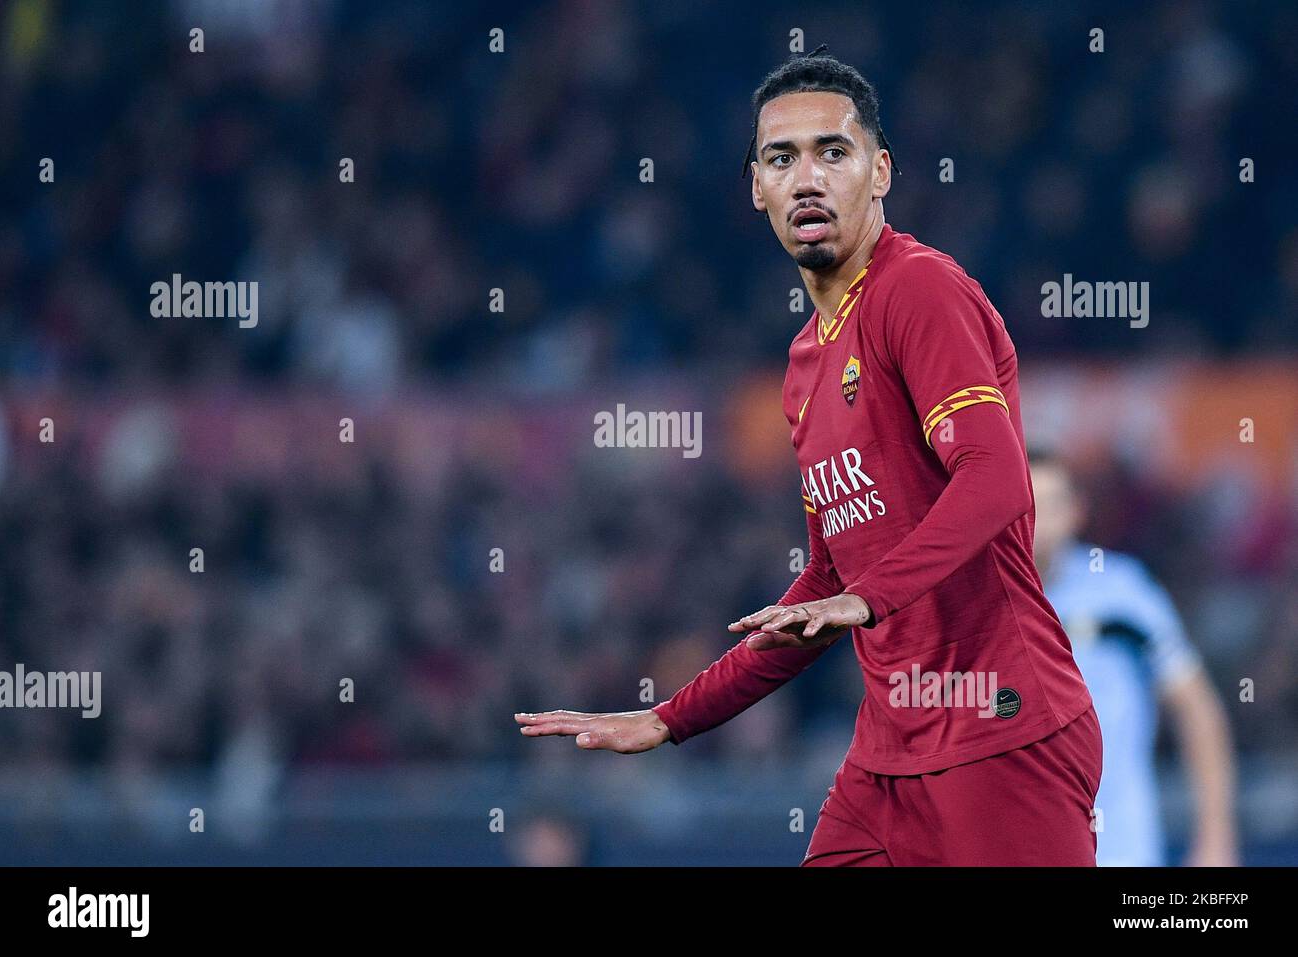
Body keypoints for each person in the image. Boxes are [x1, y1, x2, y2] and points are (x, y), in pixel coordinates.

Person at [516, 49, 1100, 866]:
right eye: (782, 159)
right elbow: (827, 582)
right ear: (757, 187)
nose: (808, 178)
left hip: (1002, 735)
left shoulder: (919, 292)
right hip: (888, 758)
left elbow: (996, 478)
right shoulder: (802, 368)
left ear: (881, 171)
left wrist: (868, 598)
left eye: (834, 151)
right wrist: (671, 718)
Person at [1030, 450, 1239, 866]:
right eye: (1026, 503)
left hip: (1121, 848)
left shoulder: (1124, 593)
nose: (1038, 523)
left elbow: (1198, 711)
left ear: (1075, 512)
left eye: (1051, 505)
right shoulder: (977, 599)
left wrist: (1217, 838)